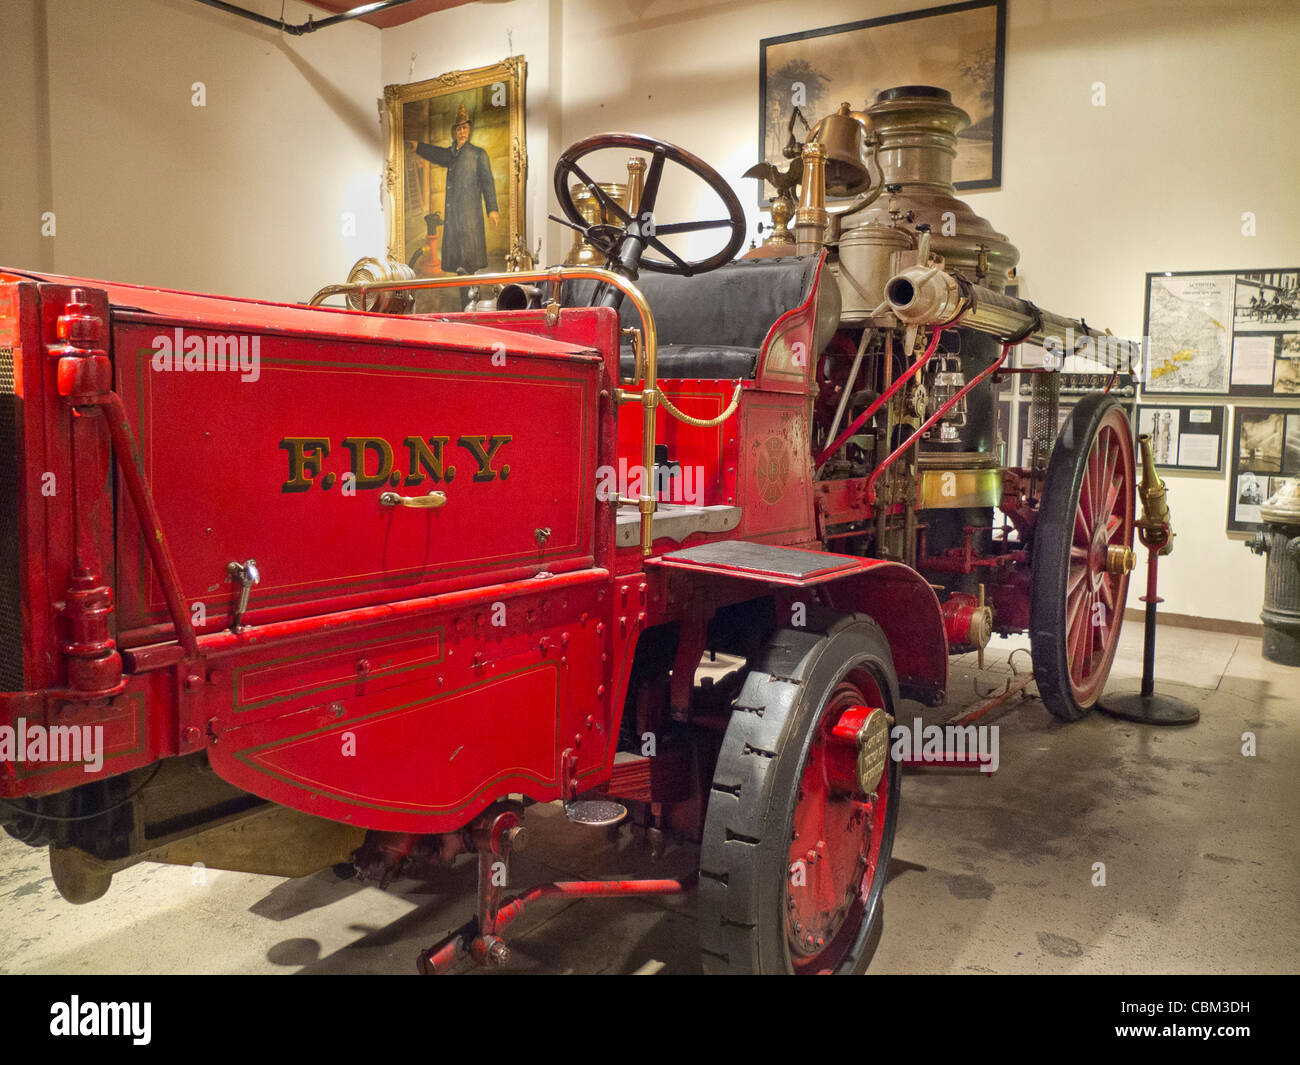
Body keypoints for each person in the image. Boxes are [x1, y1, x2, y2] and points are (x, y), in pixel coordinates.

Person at [407, 102, 500, 280]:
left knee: (470, 262)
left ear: (469, 130)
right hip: (455, 218)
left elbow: (488, 183)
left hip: (470, 217)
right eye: (458, 129)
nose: (462, 132)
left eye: (464, 128)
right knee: (458, 263)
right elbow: (436, 153)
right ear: (455, 132)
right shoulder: (451, 154)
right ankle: (465, 298)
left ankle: (470, 300)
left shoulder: (478, 154)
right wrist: (419, 147)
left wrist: (492, 209)